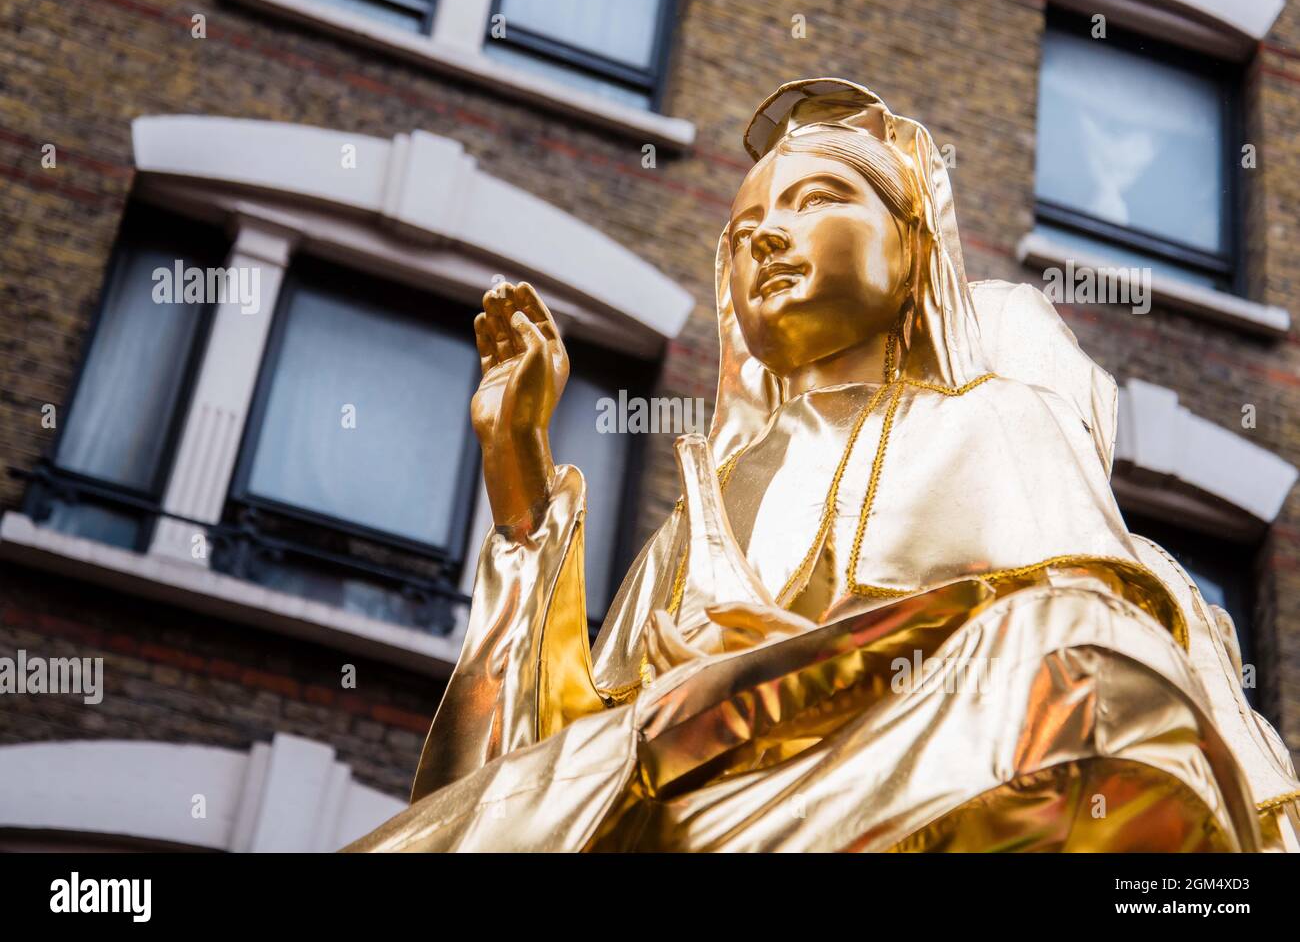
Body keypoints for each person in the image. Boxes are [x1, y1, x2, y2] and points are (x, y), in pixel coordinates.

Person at [348, 78, 1299, 852]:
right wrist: (516, 478)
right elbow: (534, 766)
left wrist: (804, 664)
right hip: (695, 797)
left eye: (817, 199)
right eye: (747, 222)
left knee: (1078, 650)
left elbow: (1089, 652)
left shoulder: (991, 420)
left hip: (886, 778)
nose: (764, 234)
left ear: (912, 246)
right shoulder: (697, 518)